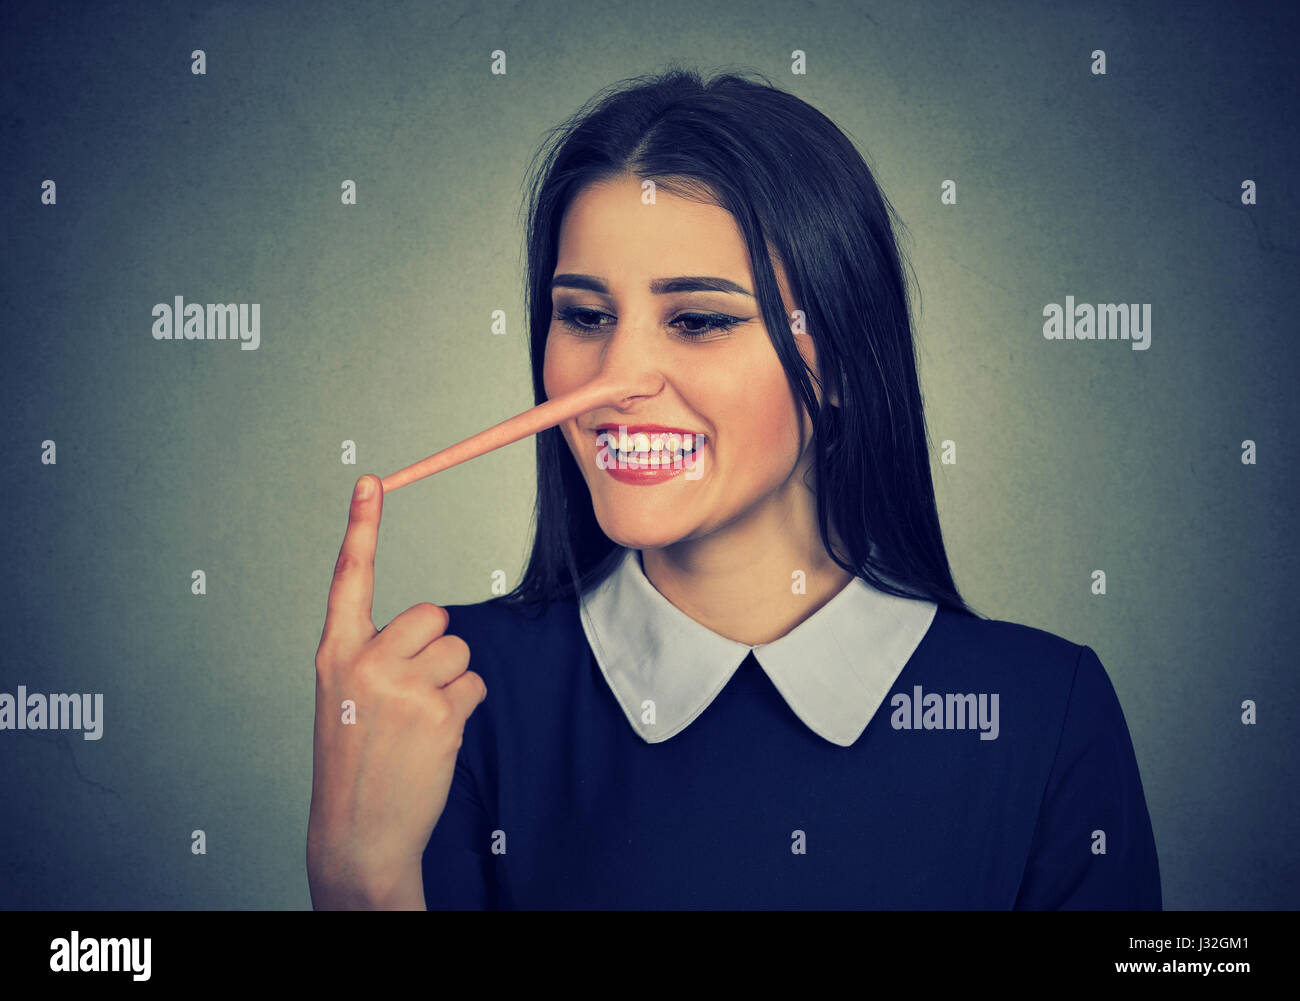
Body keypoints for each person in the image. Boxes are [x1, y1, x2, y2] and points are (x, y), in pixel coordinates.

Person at [307, 66, 1161, 910]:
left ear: (840, 366)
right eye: (585, 316)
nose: (615, 380)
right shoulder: (440, 702)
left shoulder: (1047, 716)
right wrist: (360, 880)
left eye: (700, 319)